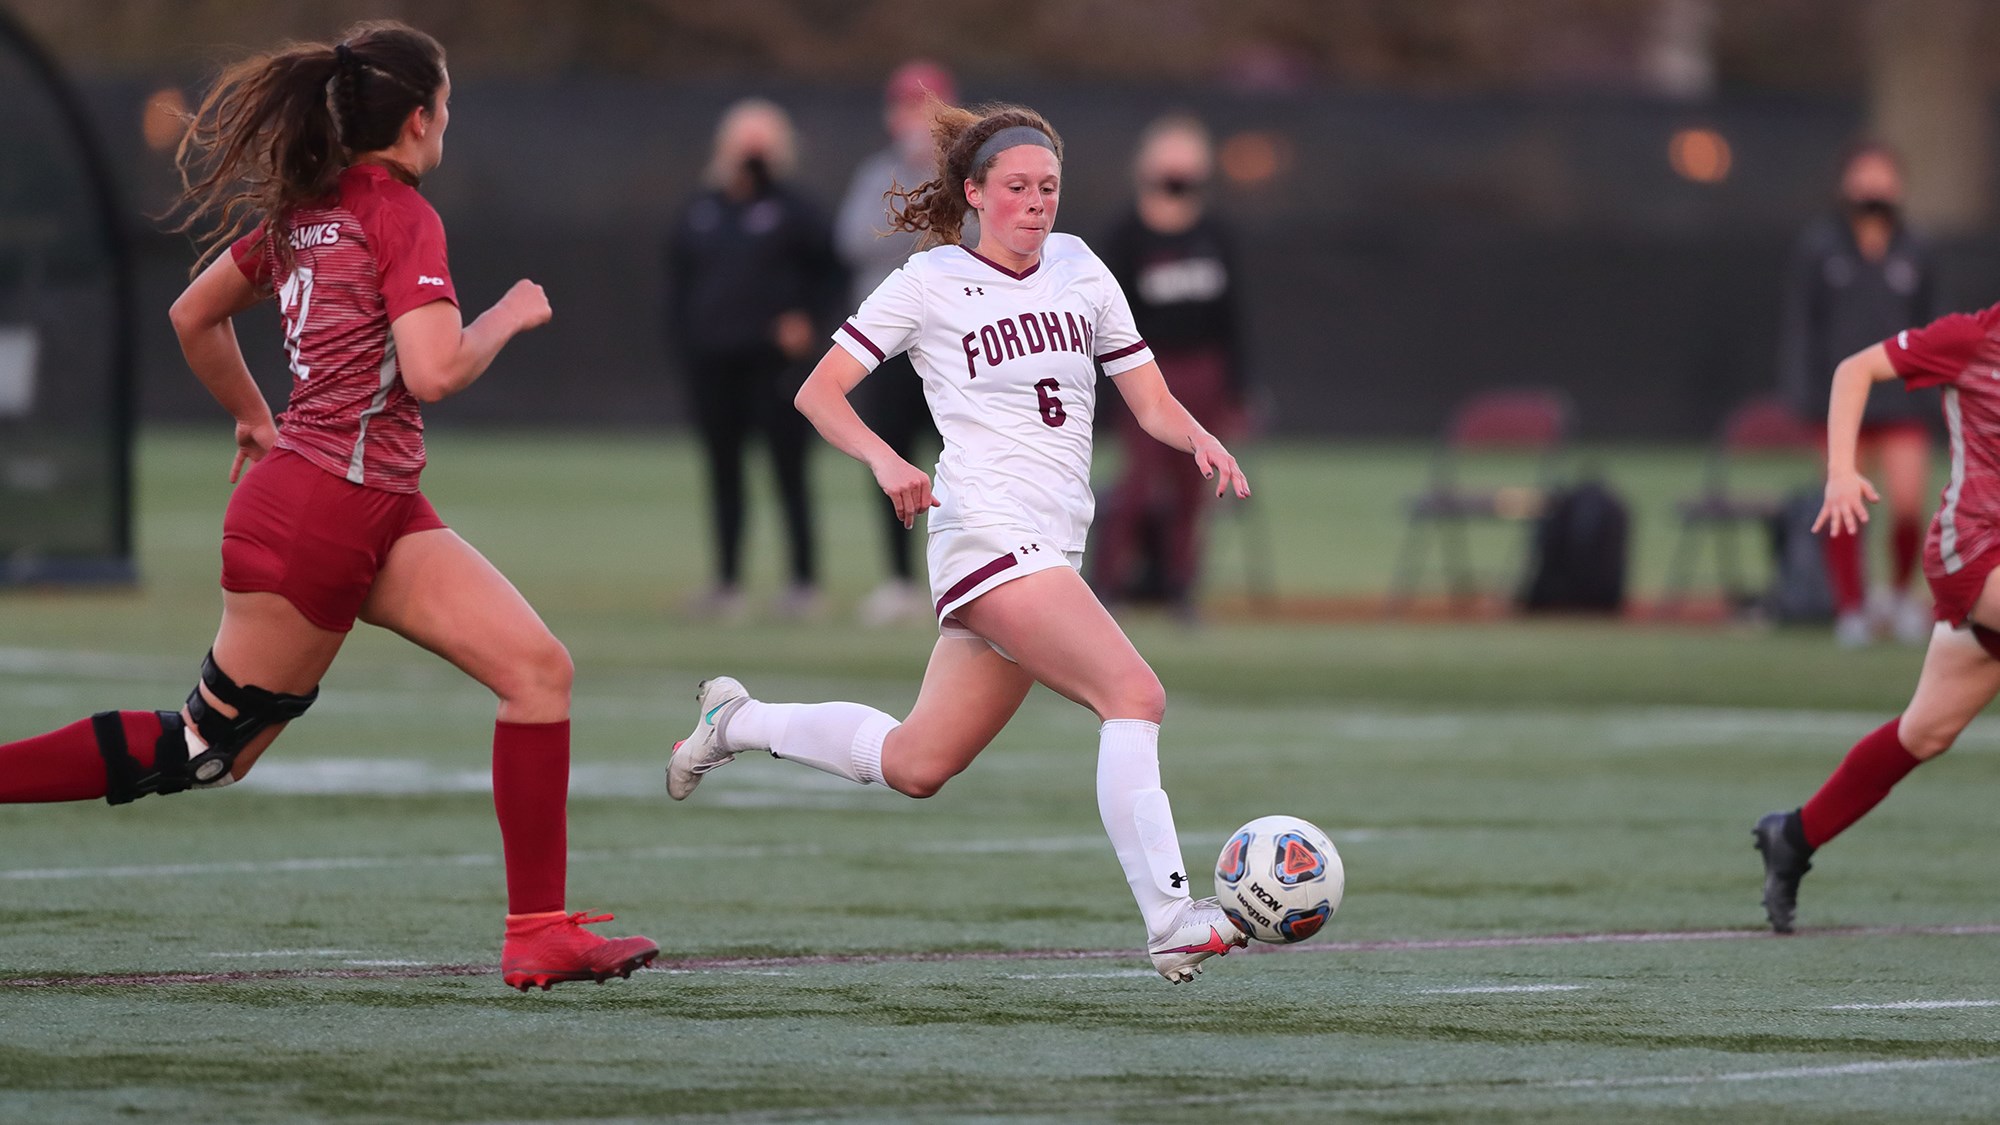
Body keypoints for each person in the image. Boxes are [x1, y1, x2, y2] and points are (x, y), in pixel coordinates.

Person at [0, 22, 656, 990]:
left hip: (369, 502)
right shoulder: (396, 212)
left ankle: (538, 931)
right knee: (203, 750)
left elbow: (194, 313)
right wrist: (508, 315)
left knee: (537, 672)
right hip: (321, 513)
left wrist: (253, 417)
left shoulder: (306, 209)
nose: (447, 127)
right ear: (422, 118)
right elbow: (434, 371)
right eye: (447, 111)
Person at [664, 100, 1255, 983]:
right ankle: (1171, 915)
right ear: (975, 193)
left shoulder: (1083, 268)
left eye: (1048, 187)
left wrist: (1198, 435)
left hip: (1048, 547)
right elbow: (819, 393)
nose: (1036, 203)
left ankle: (736, 720)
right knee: (1134, 693)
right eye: (1016, 187)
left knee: (917, 763)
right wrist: (885, 460)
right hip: (985, 533)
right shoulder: (930, 279)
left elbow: (1151, 401)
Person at [1754, 302, 2000, 933]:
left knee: (1924, 733)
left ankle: (1793, 837)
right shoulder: (1971, 339)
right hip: (1974, 548)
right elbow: (1853, 369)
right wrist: (1841, 471)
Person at [667, 99, 846, 620]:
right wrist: (686, 343)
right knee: (723, 471)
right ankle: (726, 583)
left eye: (761, 144)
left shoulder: (796, 210)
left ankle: (803, 583)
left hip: (774, 365)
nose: (751, 154)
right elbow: (679, 285)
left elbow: (830, 274)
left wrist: (807, 321)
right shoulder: (701, 210)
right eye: (743, 142)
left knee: (789, 469)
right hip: (714, 363)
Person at [1778, 141, 1939, 646]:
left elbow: (1933, 328)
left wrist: (1934, 392)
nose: (1873, 187)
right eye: (1863, 176)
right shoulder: (1820, 248)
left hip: (1903, 398)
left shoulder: (1917, 249)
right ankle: (1851, 607)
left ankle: (1895, 595)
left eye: (1882, 176)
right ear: (1846, 184)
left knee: (1910, 502)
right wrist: (1807, 395)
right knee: (1845, 499)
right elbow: (1803, 326)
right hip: (1843, 400)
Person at [1091, 115, 1247, 614]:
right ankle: (1105, 586)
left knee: (1192, 489)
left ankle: (1182, 587)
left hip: (1203, 370)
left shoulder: (1215, 233)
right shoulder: (1126, 236)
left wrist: (1238, 387)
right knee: (1135, 486)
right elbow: (1106, 318)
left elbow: (1233, 317)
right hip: (1146, 373)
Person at [834, 61, 955, 627]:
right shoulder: (876, 172)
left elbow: (969, 241)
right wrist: (913, 212)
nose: (916, 120)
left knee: (961, 457)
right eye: (908, 107)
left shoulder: (967, 172)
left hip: (951, 343)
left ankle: (960, 571)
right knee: (889, 457)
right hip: (887, 346)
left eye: (927, 108)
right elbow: (855, 239)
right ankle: (900, 579)